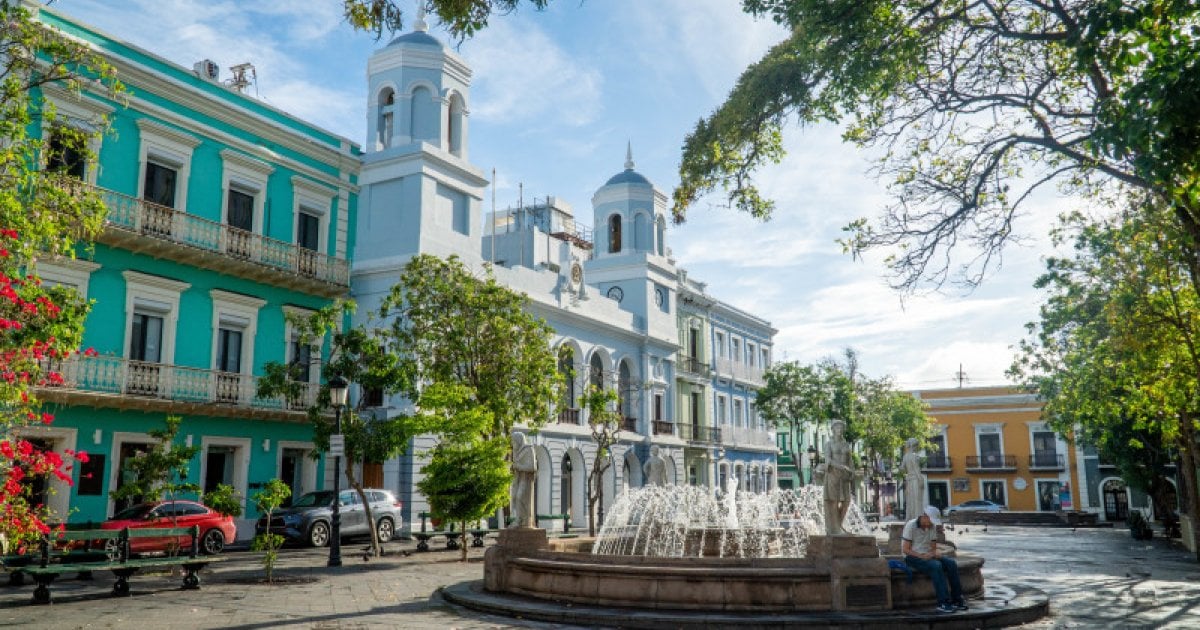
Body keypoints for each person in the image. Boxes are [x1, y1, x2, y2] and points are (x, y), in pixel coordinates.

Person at [902, 505, 967, 613]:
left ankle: (957, 599)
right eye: (930, 521)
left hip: (927, 556)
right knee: (936, 566)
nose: (931, 524)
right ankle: (943, 602)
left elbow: (933, 547)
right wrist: (921, 556)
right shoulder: (911, 525)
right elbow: (905, 549)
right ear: (925, 516)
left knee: (951, 563)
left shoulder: (931, 527)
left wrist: (934, 554)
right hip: (912, 557)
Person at [822, 419, 854, 535]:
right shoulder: (828, 444)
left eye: (841, 428)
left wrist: (852, 472)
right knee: (834, 502)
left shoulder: (846, 444)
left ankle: (838, 525)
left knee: (847, 501)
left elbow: (850, 460)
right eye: (837, 427)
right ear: (833, 429)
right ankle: (835, 529)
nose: (839, 430)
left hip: (844, 476)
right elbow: (828, 460)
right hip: (833, 475)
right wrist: (841, 467)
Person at [510, 431, 536, 528]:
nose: (513, 444)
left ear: (519, 440)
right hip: (518, 479)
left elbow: (532, 467)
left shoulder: (529, 449)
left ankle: (524, 520)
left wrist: (519, 466)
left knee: (520, 497)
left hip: (526, 479)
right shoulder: (516, 451)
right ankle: (518, 520)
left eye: (514, 441)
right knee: (515, 497)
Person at [902, 437, 925, 520]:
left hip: (909, 479)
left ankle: (910, 518)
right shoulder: (914, 456)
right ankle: (917, 518)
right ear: (913, 446)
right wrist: (921, 480)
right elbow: (916, 469)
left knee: (910, 501)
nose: (917, 447)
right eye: (916, 446)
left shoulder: (905, 456)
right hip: (915, 479)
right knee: (917, 500)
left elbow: (902, 468)